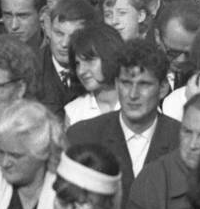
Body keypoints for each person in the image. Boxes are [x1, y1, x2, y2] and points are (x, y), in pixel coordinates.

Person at [65, 39, 178, 189]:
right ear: (117, 85)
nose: (133, 94)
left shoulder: (181, 141)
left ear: (163, 88)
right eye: (126, 83)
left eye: (144, 84)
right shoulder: (82, 137)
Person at [0, 98, 62, 209]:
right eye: (0, 152)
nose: (4, 163)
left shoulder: (62, 191)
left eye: (15, 155)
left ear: (43, 152)